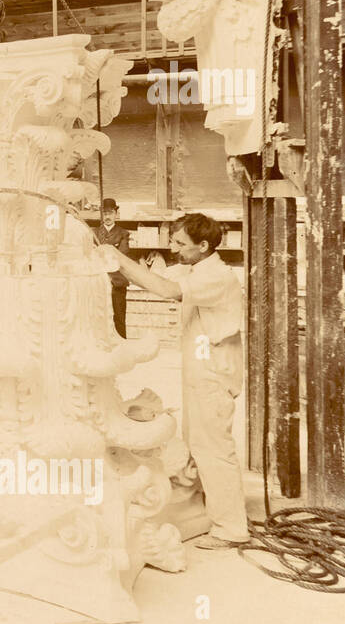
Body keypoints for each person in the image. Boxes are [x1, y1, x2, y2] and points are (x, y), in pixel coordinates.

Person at [99, 213, 249, 549]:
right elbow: (155, 279)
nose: (174, 248)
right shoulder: (195, 267)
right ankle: (205, 504)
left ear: (204, 246)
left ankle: (232, 527)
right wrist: (117, 263)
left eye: (180, 243)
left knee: (214, 447)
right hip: (200, 369)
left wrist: (118, 255)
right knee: (196, 441)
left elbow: (165, 289)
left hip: (213, 373)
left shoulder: (218, 276)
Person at [94, 198, 131, 337]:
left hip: (117, 282)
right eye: (104, 213)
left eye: (110, 213)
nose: (107, 216)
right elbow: (90, 255)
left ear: (116, 214)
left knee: (119, 316)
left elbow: (122, 255)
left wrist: (102, 254)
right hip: (98, 281)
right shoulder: (95, 233)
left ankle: (122, 345)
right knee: (99, 316)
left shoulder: (123, 233)